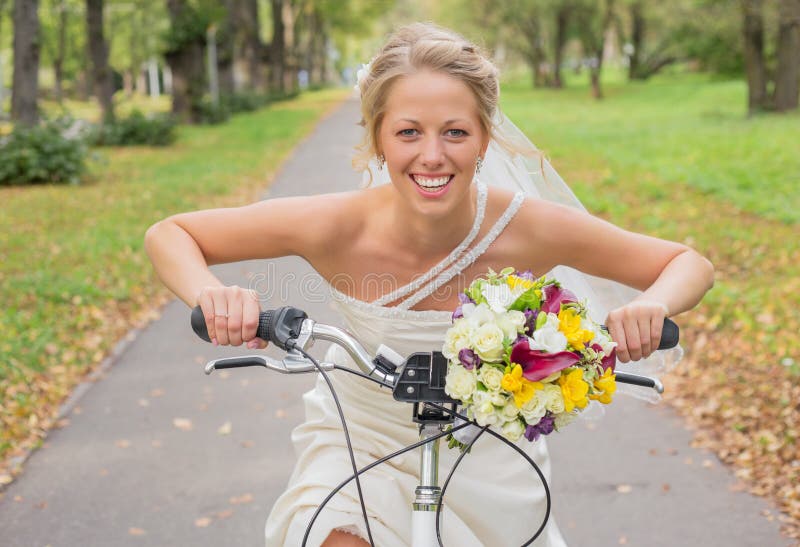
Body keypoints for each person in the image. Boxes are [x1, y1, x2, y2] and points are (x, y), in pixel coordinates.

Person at [145, 22, 714, 547]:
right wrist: (211, 294)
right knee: (336, 533)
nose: (433, 155)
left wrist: (652, 304)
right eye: (408, 132)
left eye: (456, 132)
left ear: (485, 139)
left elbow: (688, 263)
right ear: (379, 138)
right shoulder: (335, 224)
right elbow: (171, 234)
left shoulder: (528, 227)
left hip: (485, 454)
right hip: (360, 438)